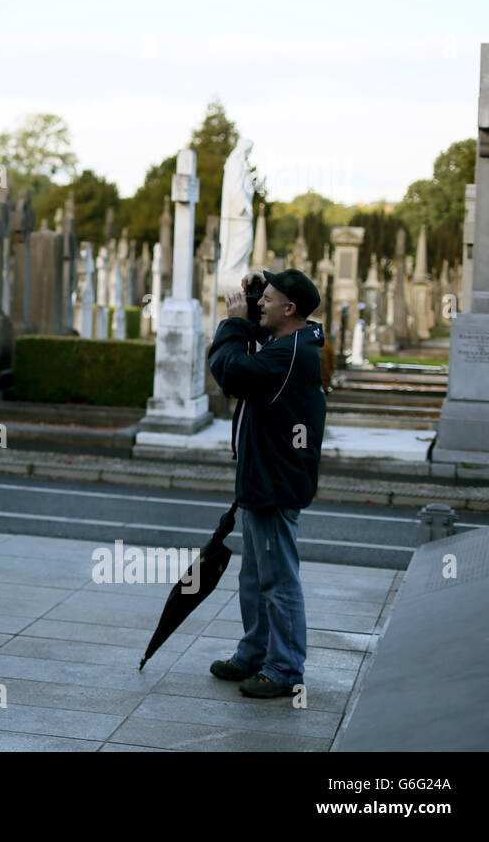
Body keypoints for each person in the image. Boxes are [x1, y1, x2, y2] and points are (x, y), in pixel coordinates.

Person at [207, 268, 326, 698]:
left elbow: (233, 374)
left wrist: (233, 324)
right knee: (255, 578)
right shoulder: (288, 343)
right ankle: (254, 653)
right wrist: (256, 293)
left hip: (275, 483)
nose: (259, 304)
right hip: (262, 477)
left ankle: (284, 668)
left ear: (290, 309)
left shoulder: (290, 354)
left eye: (268, 298)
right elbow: (258, 341)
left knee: (278, 580)